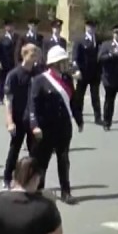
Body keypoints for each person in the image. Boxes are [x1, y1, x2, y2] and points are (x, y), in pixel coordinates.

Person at [28, 46, 83, 204]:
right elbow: (33, 104)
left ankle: (66, 192)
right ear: (55, 63)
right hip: (46, 127)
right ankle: (39, 190)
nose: (66, 64)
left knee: (63, 159)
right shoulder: (40, 80)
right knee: (42, 161)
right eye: (63, 61)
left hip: (64, 126)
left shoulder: (67, 79)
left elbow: (73, 101)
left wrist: (78, 119)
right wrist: (34, 125)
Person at [2, 45, 40, 190]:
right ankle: (7, 177)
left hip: (33, 119)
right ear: (24, 55)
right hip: (18, 118)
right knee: (14, 149)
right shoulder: (14, 75)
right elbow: (8, 99)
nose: (35, 57)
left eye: (36, 54)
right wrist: (9, 121)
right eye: (32, 54)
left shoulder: (37, 74)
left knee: (34, 152)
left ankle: (31, 180)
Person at [70, 20, 102, 125]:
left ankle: (98, 117)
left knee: (95, 96)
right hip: (83, 73)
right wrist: (76, 69)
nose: (91, 29)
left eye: (93, 27)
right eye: (89, 27)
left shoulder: (98, 40)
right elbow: (75, 57)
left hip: (95, 73)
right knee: (80, 96)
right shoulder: (80, 40)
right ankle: (78, 116)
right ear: (86, 27)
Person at [0, 20, 19, 106]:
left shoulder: (17, 37)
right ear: (5, 28)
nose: (10, 27)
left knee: (14, 81)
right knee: (2, 81)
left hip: (14, 64)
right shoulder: (1, 38)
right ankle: (0, 98)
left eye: (11, 25)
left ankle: (14, 97)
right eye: (8, 26)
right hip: (4, 63)